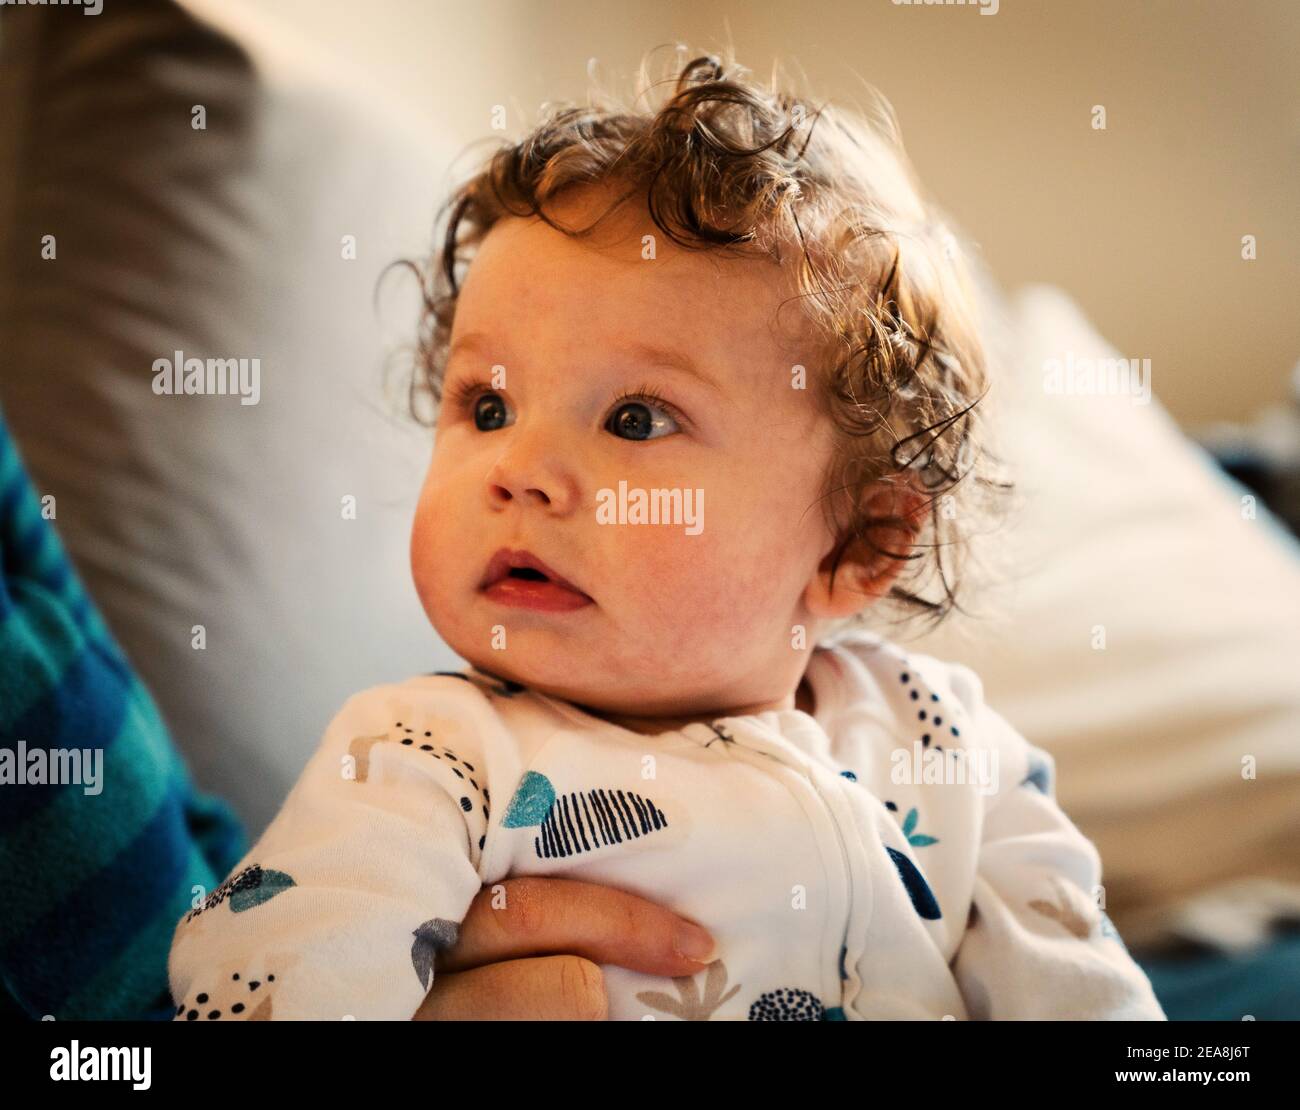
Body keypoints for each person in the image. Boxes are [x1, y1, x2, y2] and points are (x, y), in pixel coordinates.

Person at [167, 49, 1165, 1020]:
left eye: (635, 420)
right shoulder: (423, 760)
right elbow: (279, 979)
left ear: (860, 542)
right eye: (486, 406)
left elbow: (1082, 988)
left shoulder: (949, 745)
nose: (518, 472)